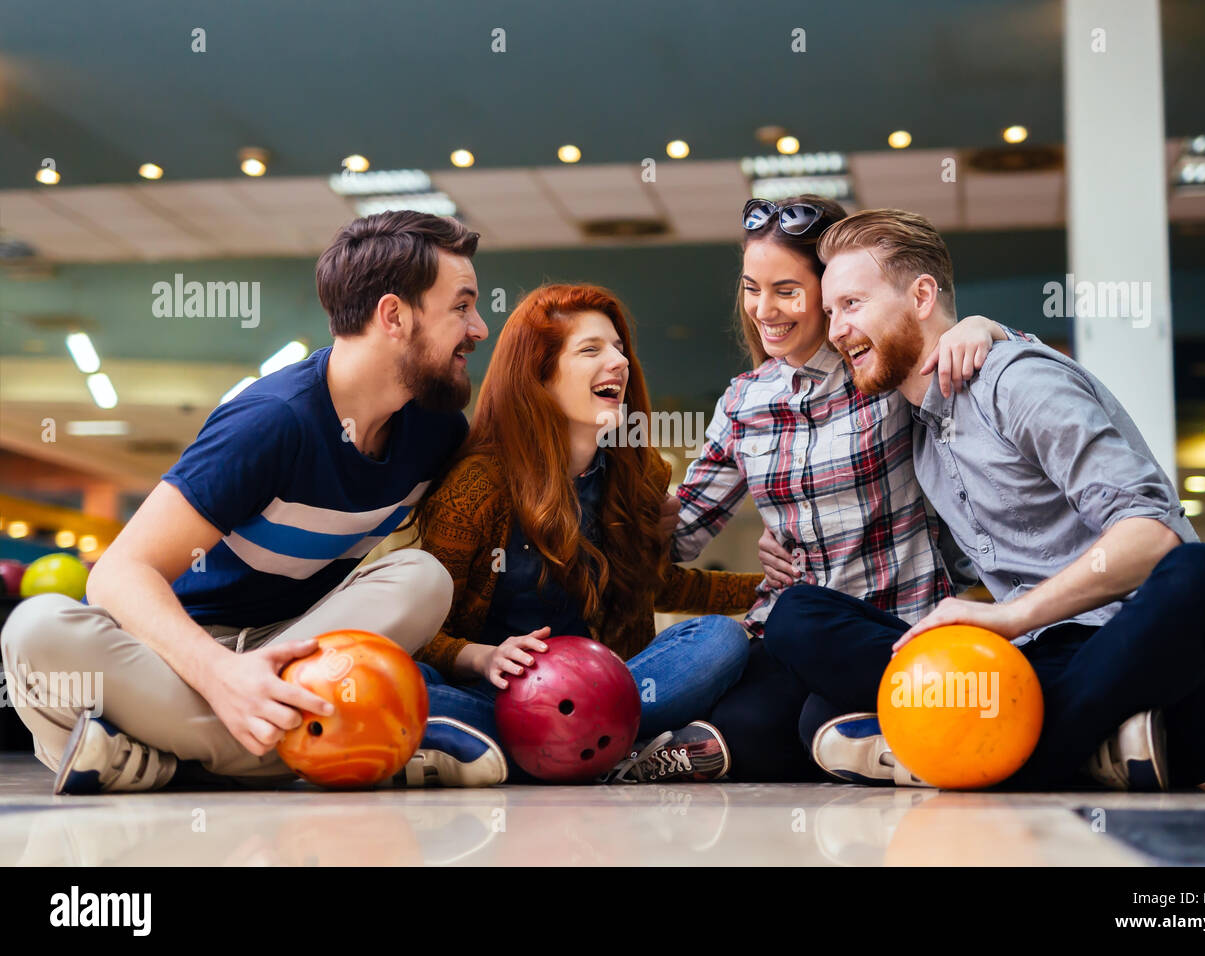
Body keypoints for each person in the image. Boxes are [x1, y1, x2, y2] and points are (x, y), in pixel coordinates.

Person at [0, 211, 503, 793]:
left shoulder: (433, 432)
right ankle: (315, 748)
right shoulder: (273, 420)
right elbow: (117, 574)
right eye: (462, 306)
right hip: (177, 654)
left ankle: (156, 756)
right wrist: (221, 675)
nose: (479, 328)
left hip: (296, 647)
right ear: (394, 315)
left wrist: (477, 655)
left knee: (422, 578)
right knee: (34, 631)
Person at [765, 207, 1205, 791]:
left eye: (852, 305)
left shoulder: (1016, 383)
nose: (837, 329)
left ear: (922, 295)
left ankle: (984, 754)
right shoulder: (916, 425)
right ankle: (1082, 747)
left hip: (1135, 652)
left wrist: (1008, 618)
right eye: (830, 312)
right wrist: (785, 530)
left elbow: (1152, 536)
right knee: (797, 618)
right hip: (1032, 666)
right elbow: (793, 393)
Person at [670, 195, 1033, 780]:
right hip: (793, 638)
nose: (765, 310)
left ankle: (922, 736)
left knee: (802, 713)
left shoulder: (883, 369)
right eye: (750, 288)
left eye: (786, 290)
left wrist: (981, 326)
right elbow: (679, 531)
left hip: (891, 627)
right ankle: (897, 742)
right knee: (746, 725)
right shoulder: (743, 400)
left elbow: (965, 356)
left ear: (831, 290)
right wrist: (593, 470)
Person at [368, 283, 762, 784]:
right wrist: (483, 657)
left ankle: (520, 756)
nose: (618, 362)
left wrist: (769, 586)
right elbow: (422, 631)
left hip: (610, 695)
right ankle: (611, 753)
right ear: (540, 374)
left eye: (619, 348)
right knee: (406, 685)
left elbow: (654, 584)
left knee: (720, 639)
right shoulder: (480, 482)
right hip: (498, 696)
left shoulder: (638, 475)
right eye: (591, 349)